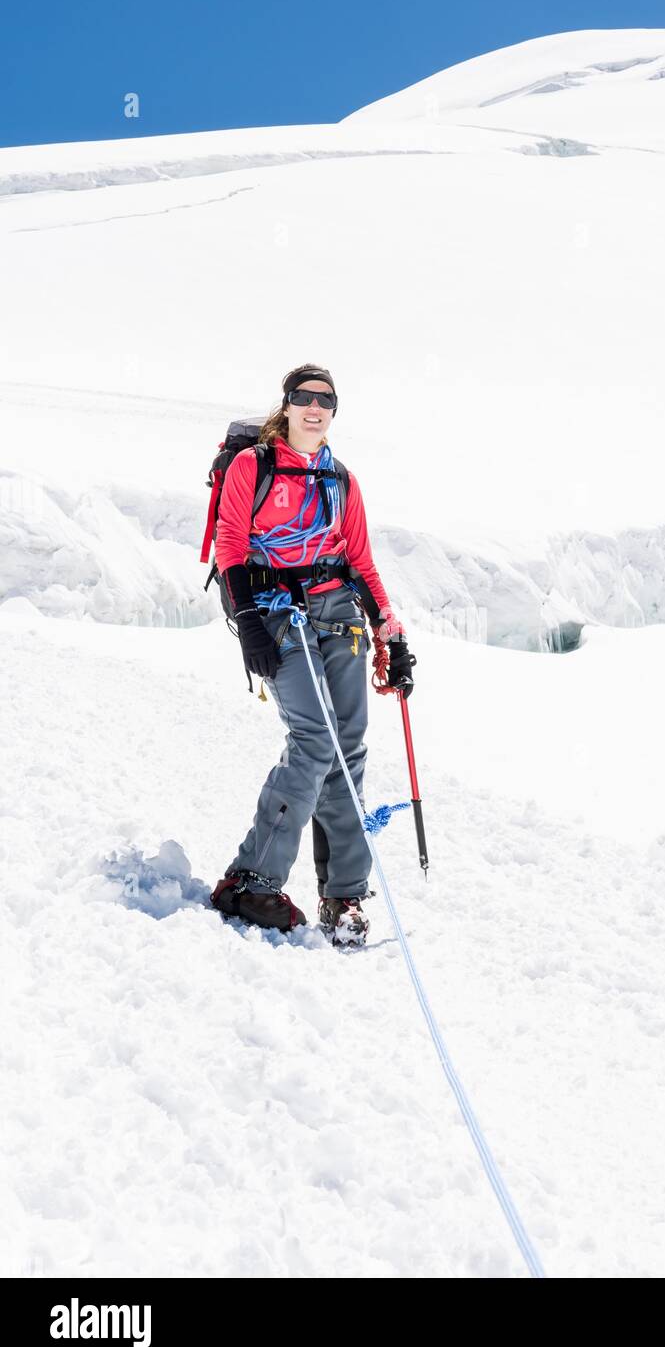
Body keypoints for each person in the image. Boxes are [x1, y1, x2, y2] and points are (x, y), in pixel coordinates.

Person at [209, 364, 415, 942]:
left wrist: (389, 632)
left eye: (325, 400)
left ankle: (344, 896)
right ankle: (252, 880)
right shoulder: (254, 465)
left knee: (347, 748)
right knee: (314, 740)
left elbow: (362, 561)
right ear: (287, 404)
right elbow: (230, 545)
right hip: (277, 612)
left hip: (338, 612)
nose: (314, 407)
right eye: (303, 397)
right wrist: (248, 622)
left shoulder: (341, 479)